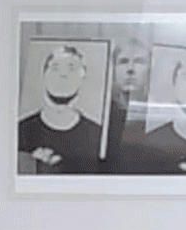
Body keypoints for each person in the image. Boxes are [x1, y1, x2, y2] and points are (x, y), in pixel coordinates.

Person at [16, 45, 104, 174]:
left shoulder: (98, 135)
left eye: (71, 68)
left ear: (83, 78)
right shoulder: (21, 131)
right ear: (44, 75)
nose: (63, 75)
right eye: (55, 68)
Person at [101, 36, 154, 171]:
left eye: (139, 62)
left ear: (150, 70)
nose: (131, 69)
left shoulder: (155, 116)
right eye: (123, 62)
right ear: (113, 69)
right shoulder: (102, 114)